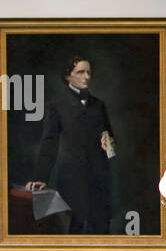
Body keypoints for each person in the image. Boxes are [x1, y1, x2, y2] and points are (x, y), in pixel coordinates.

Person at [25, 55, 116, 234]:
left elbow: (108, 134)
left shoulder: (99, 105)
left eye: (88, 72)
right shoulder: (57, 105)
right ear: (68, 76)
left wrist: (110, 141)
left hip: (99, 176)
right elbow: (49, 142)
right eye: (80, 72)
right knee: (74, 227)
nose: (87, 77)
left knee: (101, 228)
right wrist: (41, 177)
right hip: (72, 178)